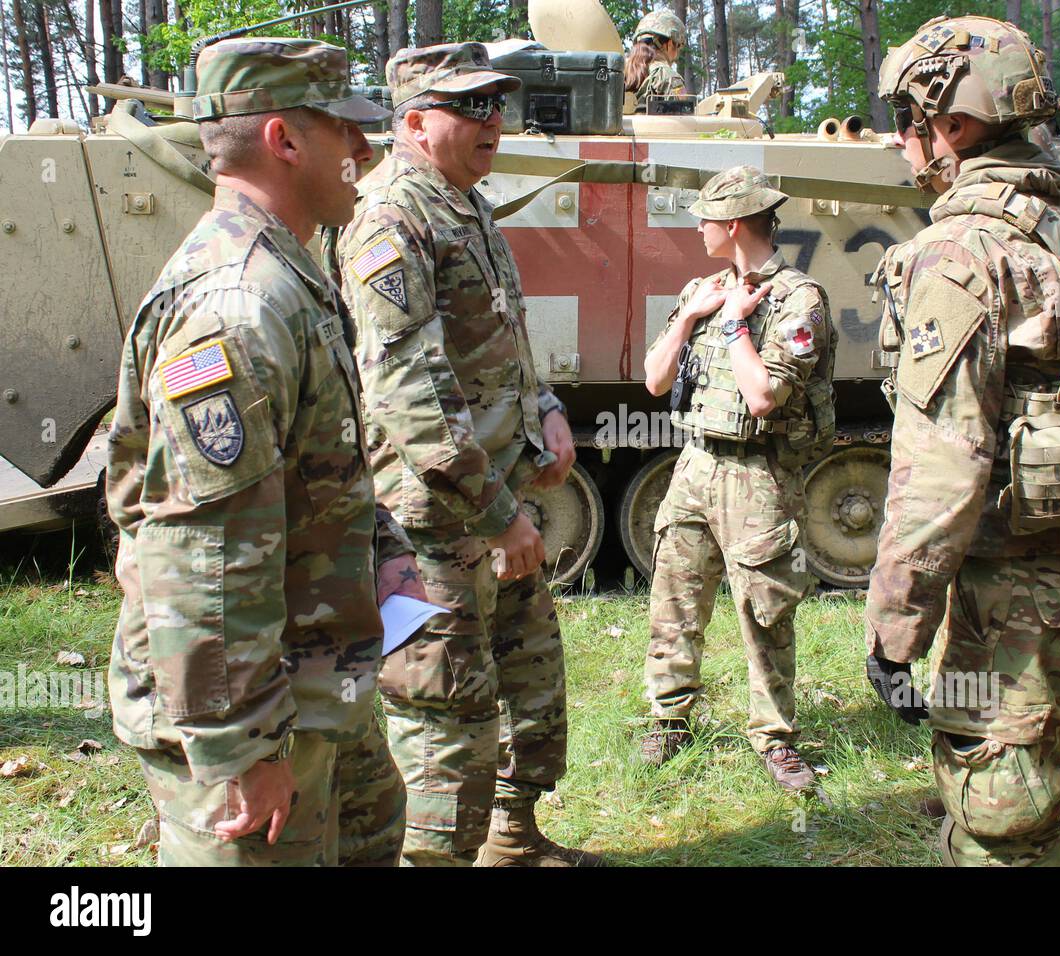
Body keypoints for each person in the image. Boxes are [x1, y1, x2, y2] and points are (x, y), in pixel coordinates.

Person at [106, 37, 425, 866]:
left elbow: (307, 473)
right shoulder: (240, 305)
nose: (365, 150)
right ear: (285, 140)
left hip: (310, 686)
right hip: (254, 715)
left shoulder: (289, 273)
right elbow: (202, 552)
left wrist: (381, 553)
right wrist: (244, 750)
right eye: (344, 131)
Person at [864, 15, 1060, 866]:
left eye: (906, 126)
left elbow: (941, 471)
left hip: (1014, 584)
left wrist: (895, 628)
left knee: (997, 801)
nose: (901, 146)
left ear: (949, 126)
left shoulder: (958, 249)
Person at [333, 42, 596, 867]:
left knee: (530, 684)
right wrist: (496, 514)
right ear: (412, 121)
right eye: (470, 106)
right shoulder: (391, 215)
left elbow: (500, 339)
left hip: (500, 498)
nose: (494, 120)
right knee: (445, 707)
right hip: (434, 518)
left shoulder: (465, 202)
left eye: (497, 104)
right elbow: (406, 387)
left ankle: (510, 841)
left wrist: (546, 410)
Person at [640, 165, 837, 791]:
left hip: (758, 474)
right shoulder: (701, 287)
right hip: (694, 463)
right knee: (674, 597)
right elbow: (655, 380)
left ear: (732, 225)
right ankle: (670, 717)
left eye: (705, 219)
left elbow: (762, 396)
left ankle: (774, 737)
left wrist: (732, 326)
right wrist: (689, 316)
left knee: (766, 610)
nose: (696, 227)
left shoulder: (799, 298)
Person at [625, 9, 687, 110]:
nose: (677, 54)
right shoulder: (669, 77)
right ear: (670, 43)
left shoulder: (622, 72)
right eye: (678, 46)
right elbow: (685, 114)